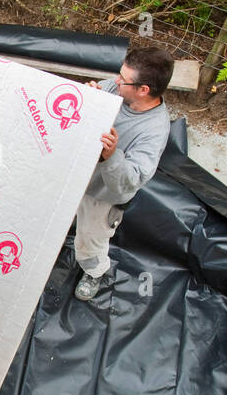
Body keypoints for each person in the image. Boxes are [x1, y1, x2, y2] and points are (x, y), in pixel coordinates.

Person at [74, 46, 174, 301]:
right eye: (119, 74)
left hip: (102, 195)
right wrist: (88, 98)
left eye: (123, 79)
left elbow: (130, 181)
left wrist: (111, 155)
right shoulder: (114, 88)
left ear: (143, 90)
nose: (115, 81)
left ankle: (93, 271)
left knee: (90, 239)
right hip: (75, 173)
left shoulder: (153, 131)